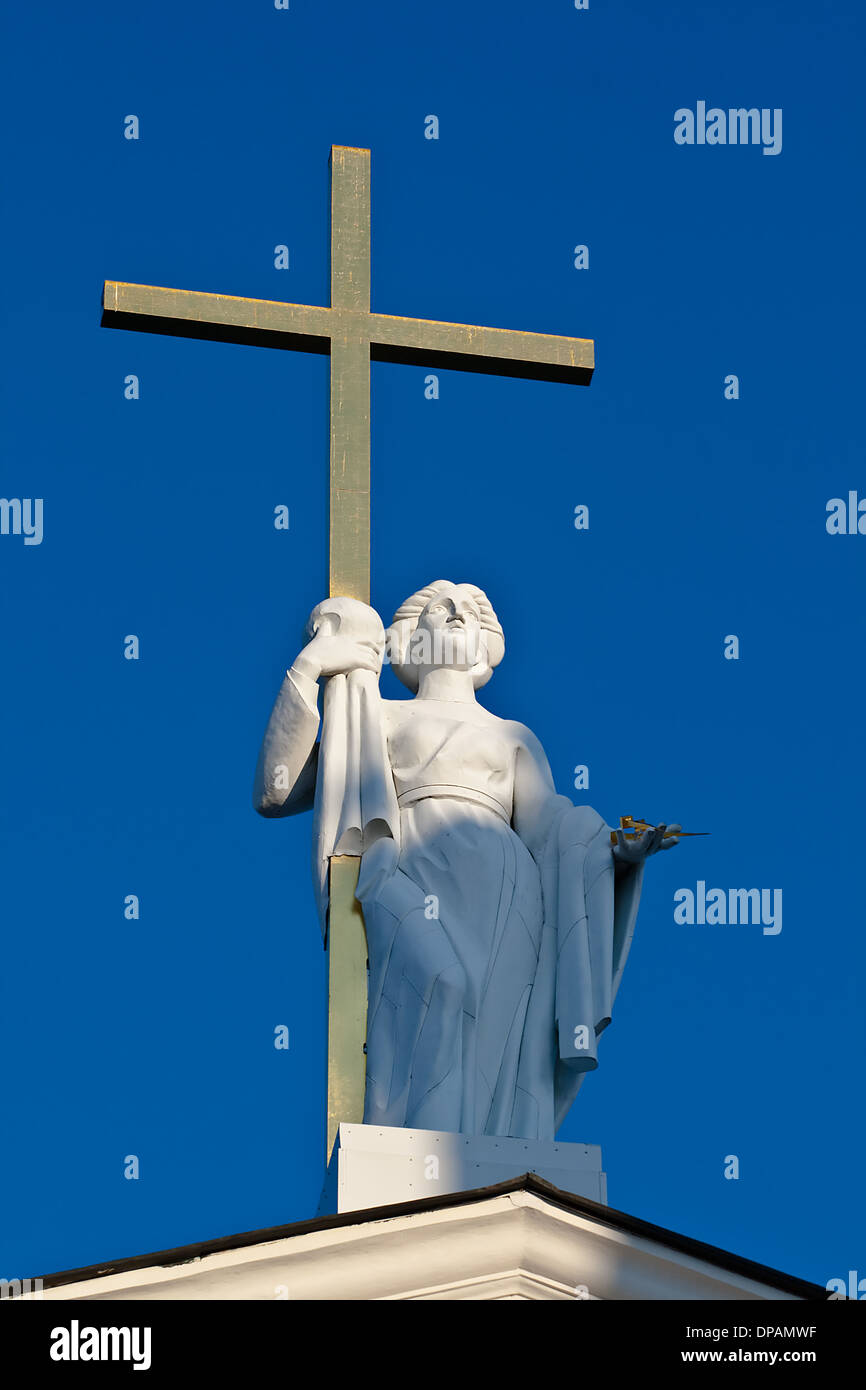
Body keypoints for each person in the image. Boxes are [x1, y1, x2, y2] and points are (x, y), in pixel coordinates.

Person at [254, 580, 678, 1139]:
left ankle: (480, 1159)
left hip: (509, 900)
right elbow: (275, 792)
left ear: (485, 645)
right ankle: (416, 1159)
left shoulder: (512, 736)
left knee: (497, 1038)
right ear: (407, 638)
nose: (458, 613)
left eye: (473, 611)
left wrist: (608, 847)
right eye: (440, 608)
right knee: (440, 985)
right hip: (408, 871)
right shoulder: (374, 715)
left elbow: (550, 823)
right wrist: (310, 668)